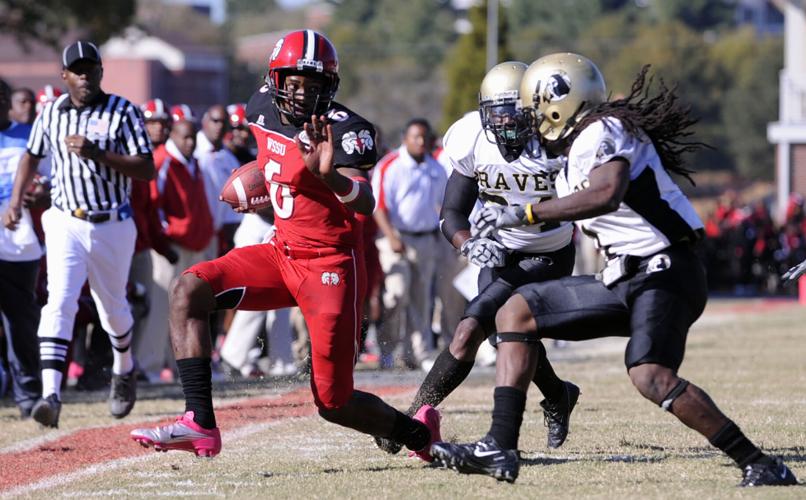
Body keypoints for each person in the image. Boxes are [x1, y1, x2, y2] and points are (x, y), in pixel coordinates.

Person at [430, 53, 798, 487]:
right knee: (515, 311)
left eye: (533, 110)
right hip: (624, 276)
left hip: (665, 271)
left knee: (650, 375)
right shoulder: (573, 154)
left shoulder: (604, 131)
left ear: (556, 105)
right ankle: (500, 446)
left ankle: (758, 462)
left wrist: (524, 213)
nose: (529, 122)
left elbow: (606, 192)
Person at [130, 29, 440, 460]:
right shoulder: (260, 108)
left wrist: (329, 176)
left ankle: (418, 433)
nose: (300, 94)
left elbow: (365, 201)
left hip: (330, 268)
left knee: (334, 403)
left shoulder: (347, 131)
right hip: (281, 252)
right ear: (275, 80)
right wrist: (262, 186)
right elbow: (271, 161)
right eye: (292, 83)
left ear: (328, 87)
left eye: (312, 86)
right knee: (188, 289)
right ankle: (199, 422)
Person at [376, 62, 580, 456]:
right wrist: (468, 243)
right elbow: (451, 212)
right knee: (503, 334)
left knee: (475, 330)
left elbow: (582, 201)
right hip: (500, 252)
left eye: (514, 112)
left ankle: (408, 420)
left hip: (548, 254)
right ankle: (558, 395)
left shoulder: (558, 142)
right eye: (496, 112)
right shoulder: (472, 138)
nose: (504, 122)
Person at [2, 41, 155, 427]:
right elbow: (31, 156)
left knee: (112, 309)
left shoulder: (123, 111)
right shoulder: (51, 113)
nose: (85, 76)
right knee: (59, 300)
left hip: (112, 222)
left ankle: (124, 369)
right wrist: (16, 201)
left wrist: (99, 154)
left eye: (91, 69)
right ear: (64, 75)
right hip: (65, 219)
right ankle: (50, 396)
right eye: (77, 70)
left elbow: (146, 168)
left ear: (102, 72)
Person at [137, 119, 213, 383]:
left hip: (193, 245)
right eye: (185, 137)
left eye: (193, 137)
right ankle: (150, 366)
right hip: (170, 247)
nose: (190, 142)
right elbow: (153, 206)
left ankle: (179, 364)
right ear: (174, 135)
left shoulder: (192, 162)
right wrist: (163, 239)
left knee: (188, 308)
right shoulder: (164, 160)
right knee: (161, 307)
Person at [371, 119, 447, 369]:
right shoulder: (391, 165)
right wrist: (391, 236)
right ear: (405, 138)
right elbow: (378, 206)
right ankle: (387, 348)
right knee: (396, 294)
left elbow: (442, 205)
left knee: (421, 299)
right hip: (396, 237)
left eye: (424, 137)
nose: (421, 142)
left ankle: (418, 353)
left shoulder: (435, 168)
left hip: (426, 239)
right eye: (416, 137)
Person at [0, 78, 42, 418]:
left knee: (21, 323)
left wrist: (39, 194)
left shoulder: (29, 137)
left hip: (18, 243)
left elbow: (52, 180)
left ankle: (28, 396)